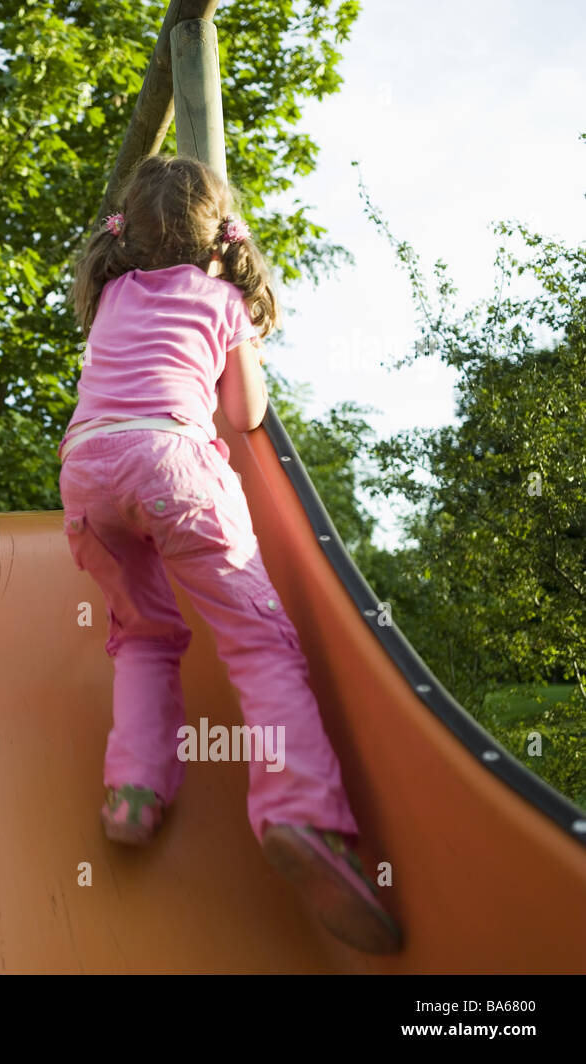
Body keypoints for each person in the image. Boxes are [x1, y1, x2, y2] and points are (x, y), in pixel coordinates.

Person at [60, 153, 401, 954]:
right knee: (259, 644)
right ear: (220, 236)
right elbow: (245, 412)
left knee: (142, 638)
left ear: (130, 236)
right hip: (175, 469)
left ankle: (135, 791)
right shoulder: (220, 300)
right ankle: (300, 813)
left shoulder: (111, 294)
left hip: (86, 475)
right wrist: (235, 317)